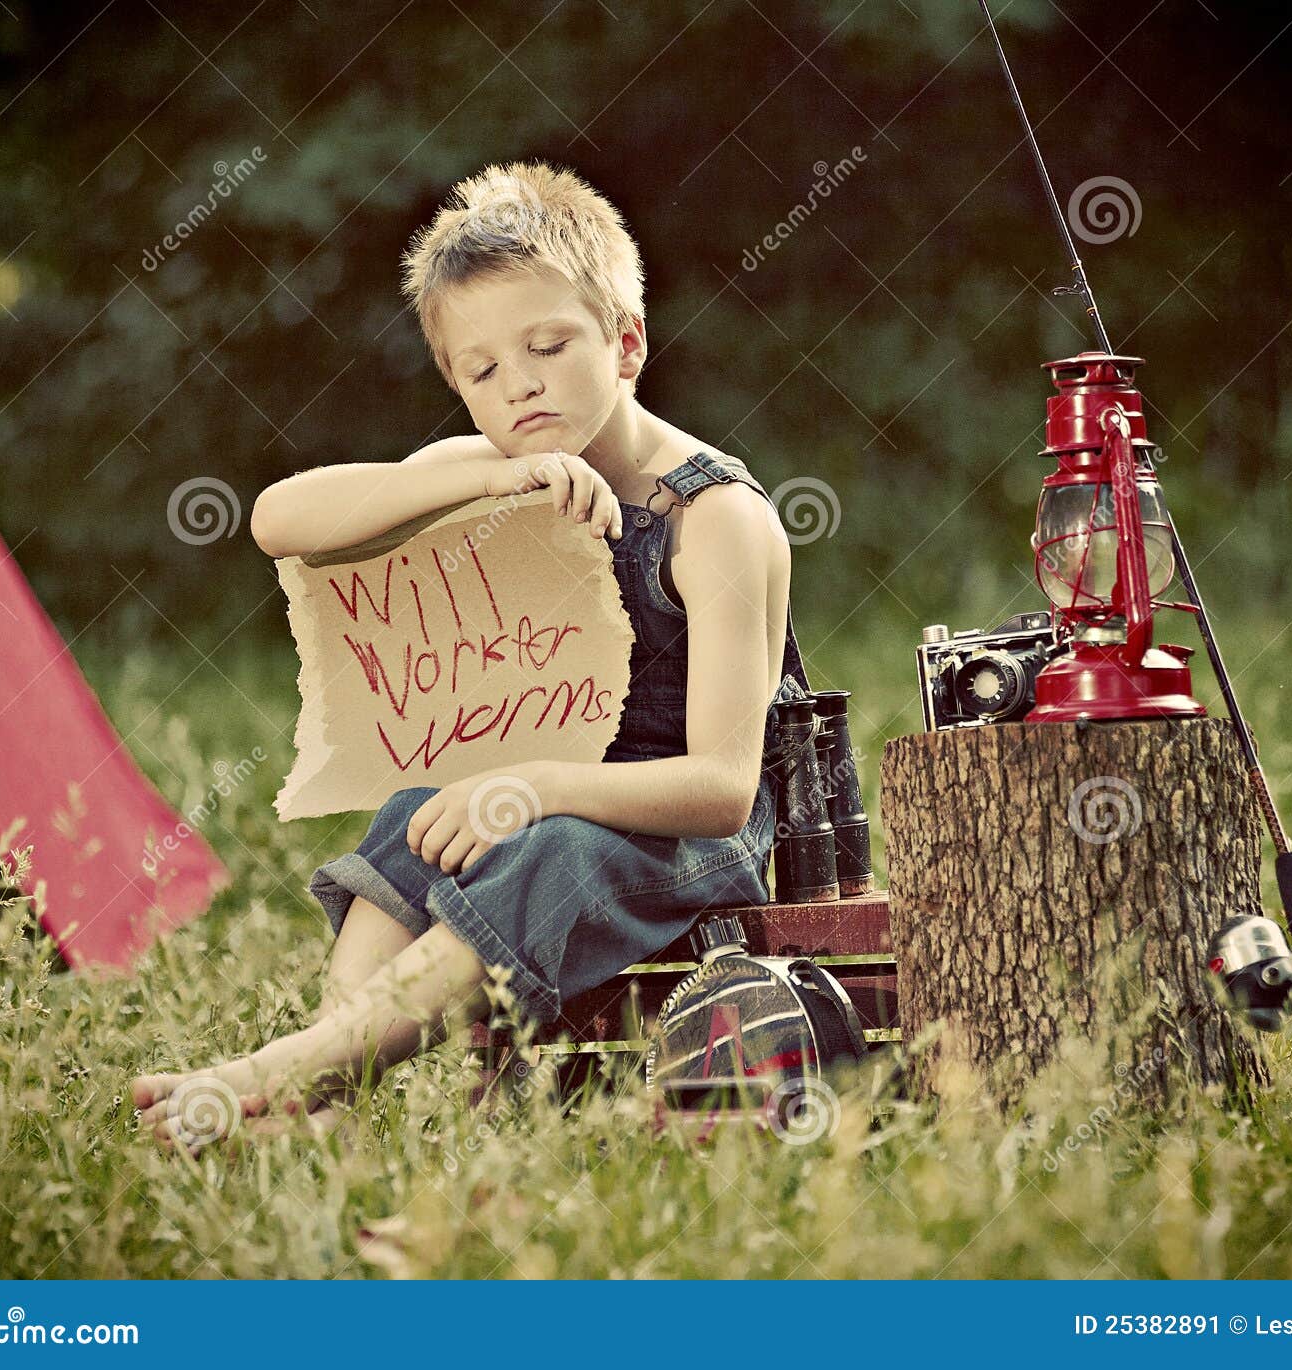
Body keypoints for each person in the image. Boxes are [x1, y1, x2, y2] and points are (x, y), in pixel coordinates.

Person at [132, 159, 812, 1151]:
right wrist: (474, 482)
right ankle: (330, 1115)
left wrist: (534, 783)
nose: (520, 384)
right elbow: (280, 518)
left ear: (625, 344)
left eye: (547, 346)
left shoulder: (714, 519)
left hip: (701, 836)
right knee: (418, 811)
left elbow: (720, 785)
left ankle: (283, 1071)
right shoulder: (496, 467)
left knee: (551, 842)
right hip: (553, 789)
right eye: (482, 372)